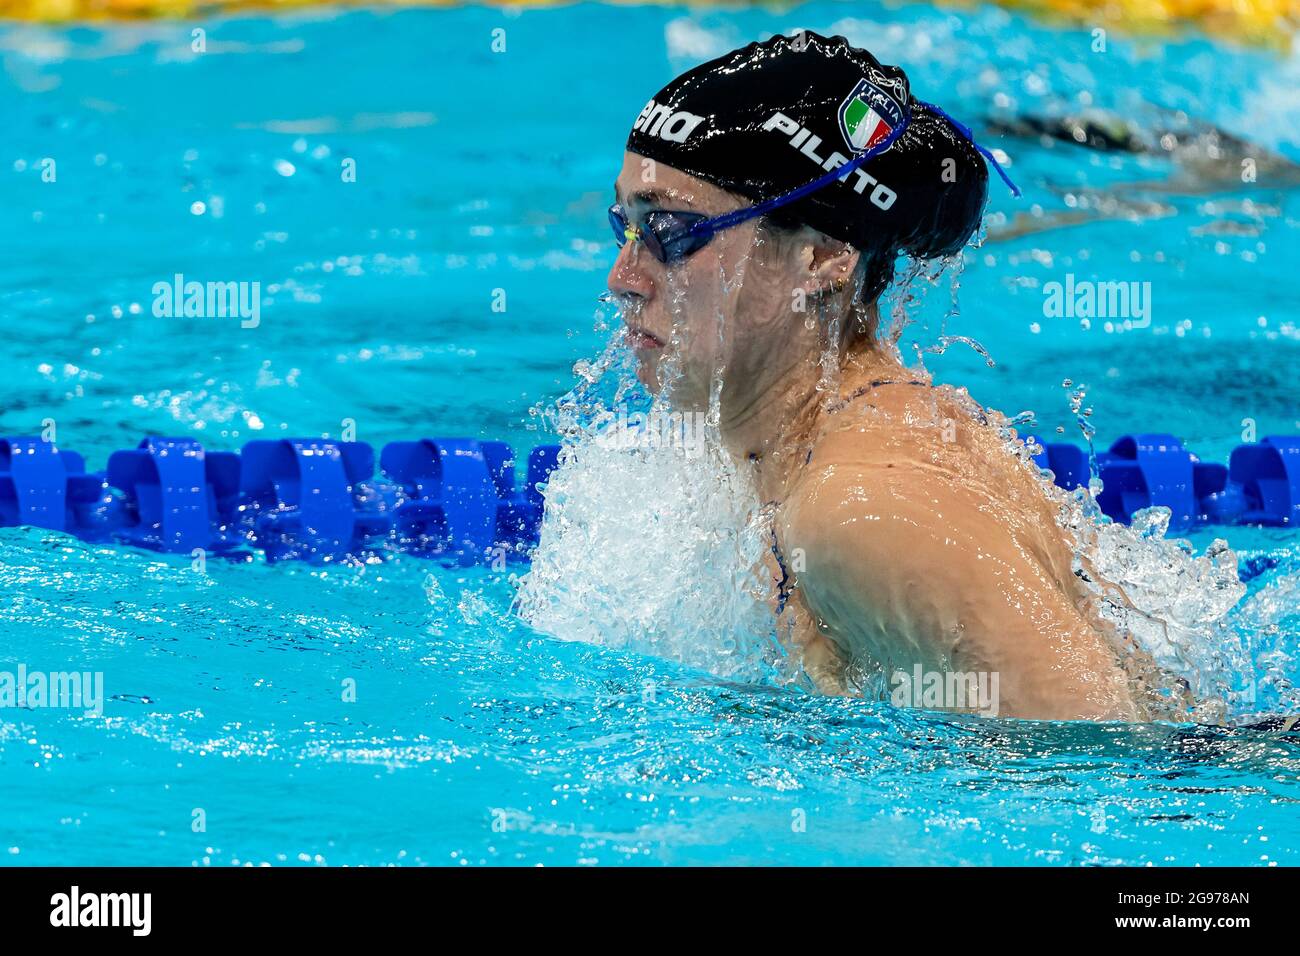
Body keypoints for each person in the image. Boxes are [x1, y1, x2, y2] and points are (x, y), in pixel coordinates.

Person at [605, 31, 1165, 721]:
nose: (623, 279)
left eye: (671, 232)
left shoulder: (863, 509)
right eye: (624, 226)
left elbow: (1109, 763)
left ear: (819, 262)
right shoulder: (805, 451)